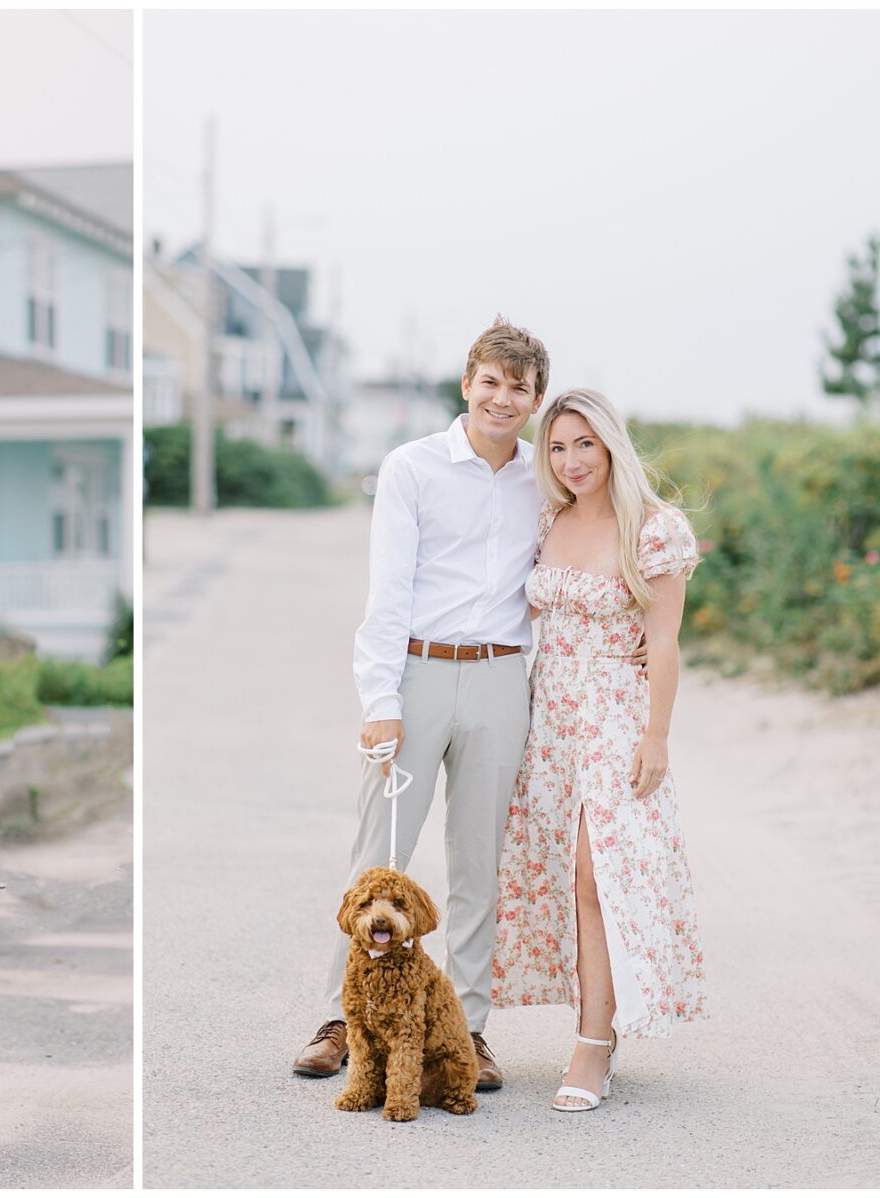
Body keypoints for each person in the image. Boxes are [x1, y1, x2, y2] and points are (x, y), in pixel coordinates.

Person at [293, 317, 551, 1090]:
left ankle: (467, 1031)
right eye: (492, 382)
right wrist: (381, 698)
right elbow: (388, 591)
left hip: (503, 678)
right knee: (379, 859)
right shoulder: (412, 468)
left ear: (536, 398)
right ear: (468, 381)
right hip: (417, 673)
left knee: (480, 863)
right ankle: (340, 1020)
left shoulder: (548, 476)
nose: (503, 399)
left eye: (520, 387)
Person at [491, 387, 710, 1112]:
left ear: (611, 444)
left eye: (585, 443)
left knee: (596, 872)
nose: (572, 459)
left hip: (617, 713)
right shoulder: (548, 519)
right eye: (557, 447)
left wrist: (657, 735)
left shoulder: (654, 528)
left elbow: (666, 640)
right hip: (548, 717)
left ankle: (592, 1046)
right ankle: (592, 1023)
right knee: (558, 872)